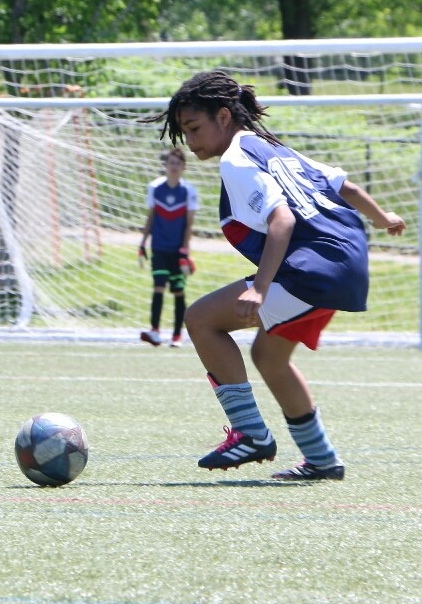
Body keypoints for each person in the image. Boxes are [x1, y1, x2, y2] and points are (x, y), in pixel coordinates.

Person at [148, 70, 405, 480]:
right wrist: (383, 217)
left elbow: (281, 219)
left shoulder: (236, 159)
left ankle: (250, 433)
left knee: (200, 320)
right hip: (347, 262)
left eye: (194, 127)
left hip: (313, 267)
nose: (191, 140)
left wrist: (260, 288)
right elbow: (344, 186)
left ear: (225, 117)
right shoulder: (274, 148)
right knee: (270, 356)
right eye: (184, 132)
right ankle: (321, 458)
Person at [137, 147, 198, 348]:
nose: (173, 167)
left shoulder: (188, 191)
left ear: (183, 167)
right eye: (170, 163)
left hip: (177, 250)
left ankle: (177, 336)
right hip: (159, 248)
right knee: (158, 286)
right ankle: (155, 331)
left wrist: (185, 250)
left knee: (178, 291)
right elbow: (150, 217)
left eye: (177, 163)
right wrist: (143, 242)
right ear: (165, 166)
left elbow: (189, 224)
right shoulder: (155, 188)